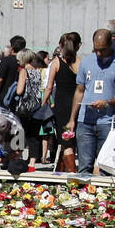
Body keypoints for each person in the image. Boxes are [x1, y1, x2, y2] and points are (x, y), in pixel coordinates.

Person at [68, 29, 115, 173]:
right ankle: (81, 193)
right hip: (85, 121)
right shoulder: (86, 62)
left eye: (103, 50)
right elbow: (79, 90)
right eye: (96, 49)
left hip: (108, 122)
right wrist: (72, 119)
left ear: (111, 44)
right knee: (84, 166)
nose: (99, 54)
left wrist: (107, 102)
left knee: (106, 167)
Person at [43, 32, 81, 171]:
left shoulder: (57, 62)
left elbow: (49, 87)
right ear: (78, 45)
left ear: (61, 45)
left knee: (66, 141)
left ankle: (71, 173)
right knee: (71, 140)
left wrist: (44, 103)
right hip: (77, 105)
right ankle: (61, 170)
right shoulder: (80, 62)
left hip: (62, 108)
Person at [12, 49, 45, 166]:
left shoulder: (23, 72)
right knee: (34, 136)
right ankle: (32, 163)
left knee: (19, 133)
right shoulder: (37, 71)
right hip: (36, 107)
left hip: (24, 108)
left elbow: (20, 90)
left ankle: (17, 157)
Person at [0, 35, 25, 102]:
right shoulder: (26, 62)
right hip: (21, 98)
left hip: (5, 97)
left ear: (12, 48)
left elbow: (0, 80)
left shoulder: (6, 60)